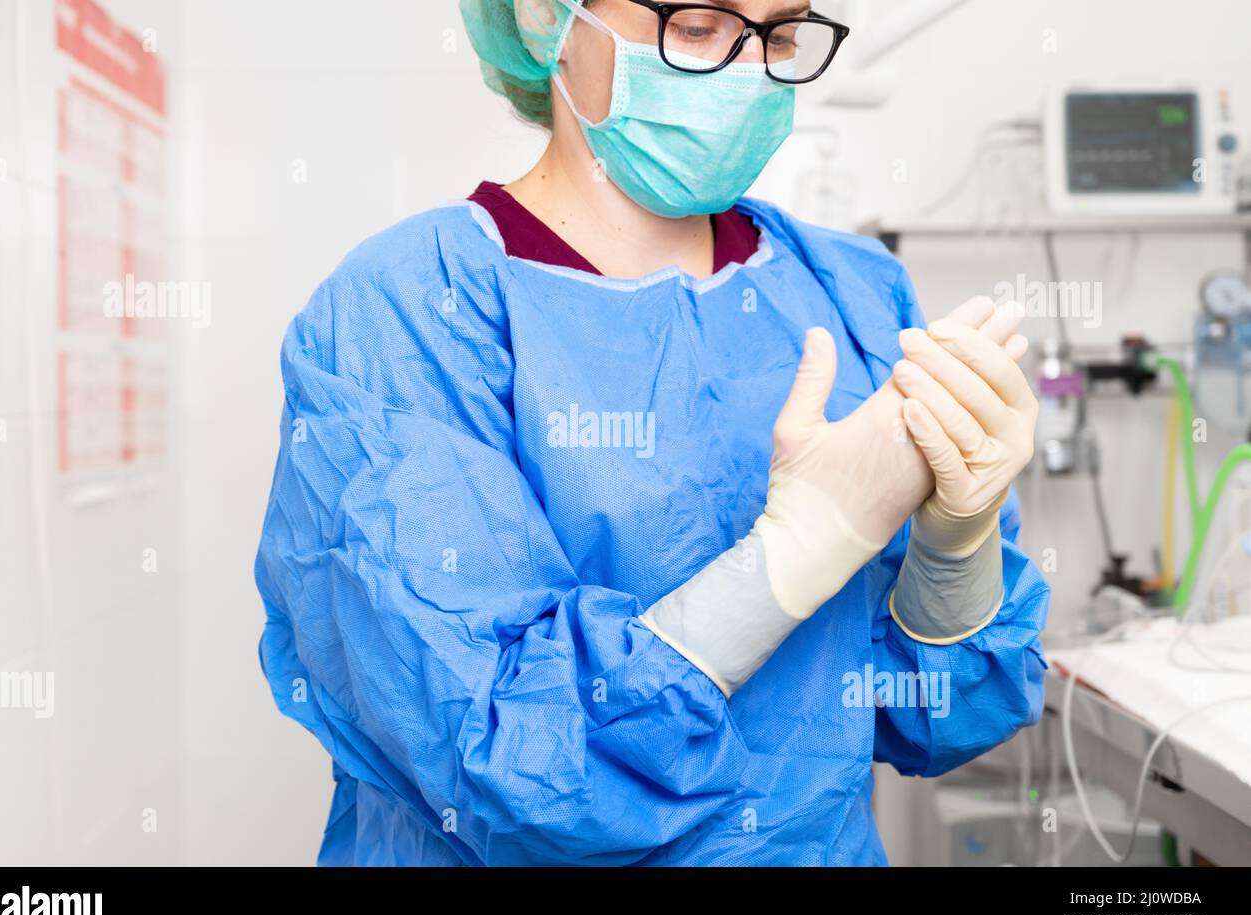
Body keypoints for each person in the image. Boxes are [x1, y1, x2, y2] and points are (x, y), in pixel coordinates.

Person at [254, 0, 1050, 866]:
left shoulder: (851, 291)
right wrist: (793, 554)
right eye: (699, 23)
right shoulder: (409, 311)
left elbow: (926, 715)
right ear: (539, 19)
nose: (748, 74)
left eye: (780, 35)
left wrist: (957, 547)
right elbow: (504, 770)